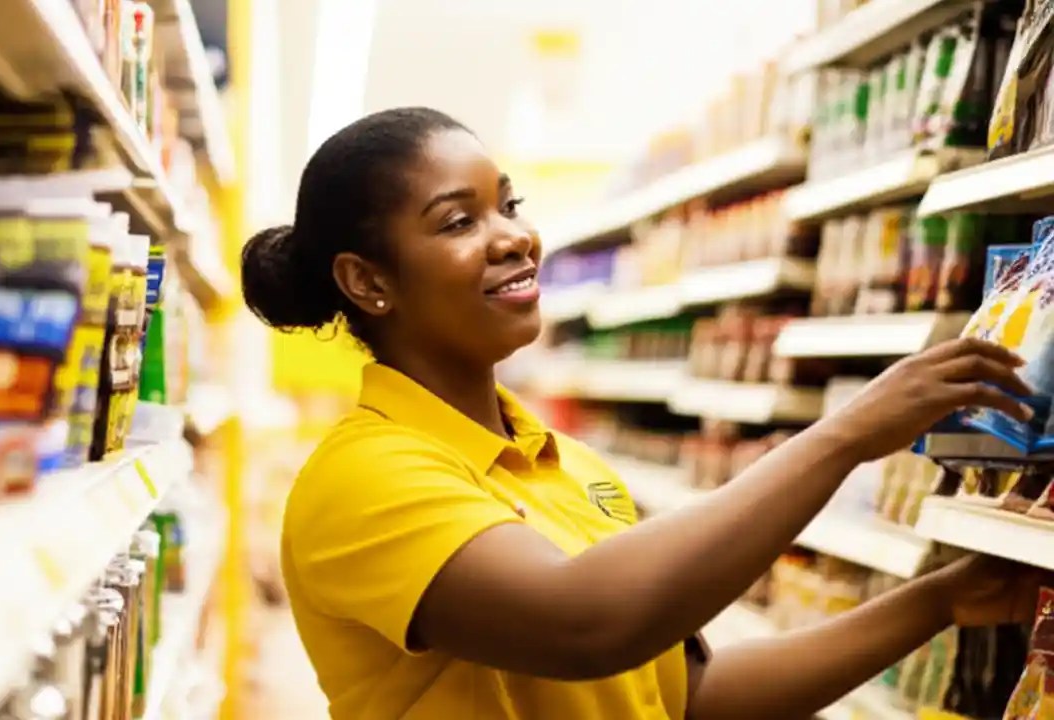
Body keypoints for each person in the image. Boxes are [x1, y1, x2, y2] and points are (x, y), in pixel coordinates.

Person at [240, 107, 1041, 720]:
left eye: (508, 205)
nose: (514, 238)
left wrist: (937, 600)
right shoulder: (363, 477)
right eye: (459, 221)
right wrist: (843, 437)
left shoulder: (574, 470)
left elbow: (692, 695)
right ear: (366, 281)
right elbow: (585, 625)